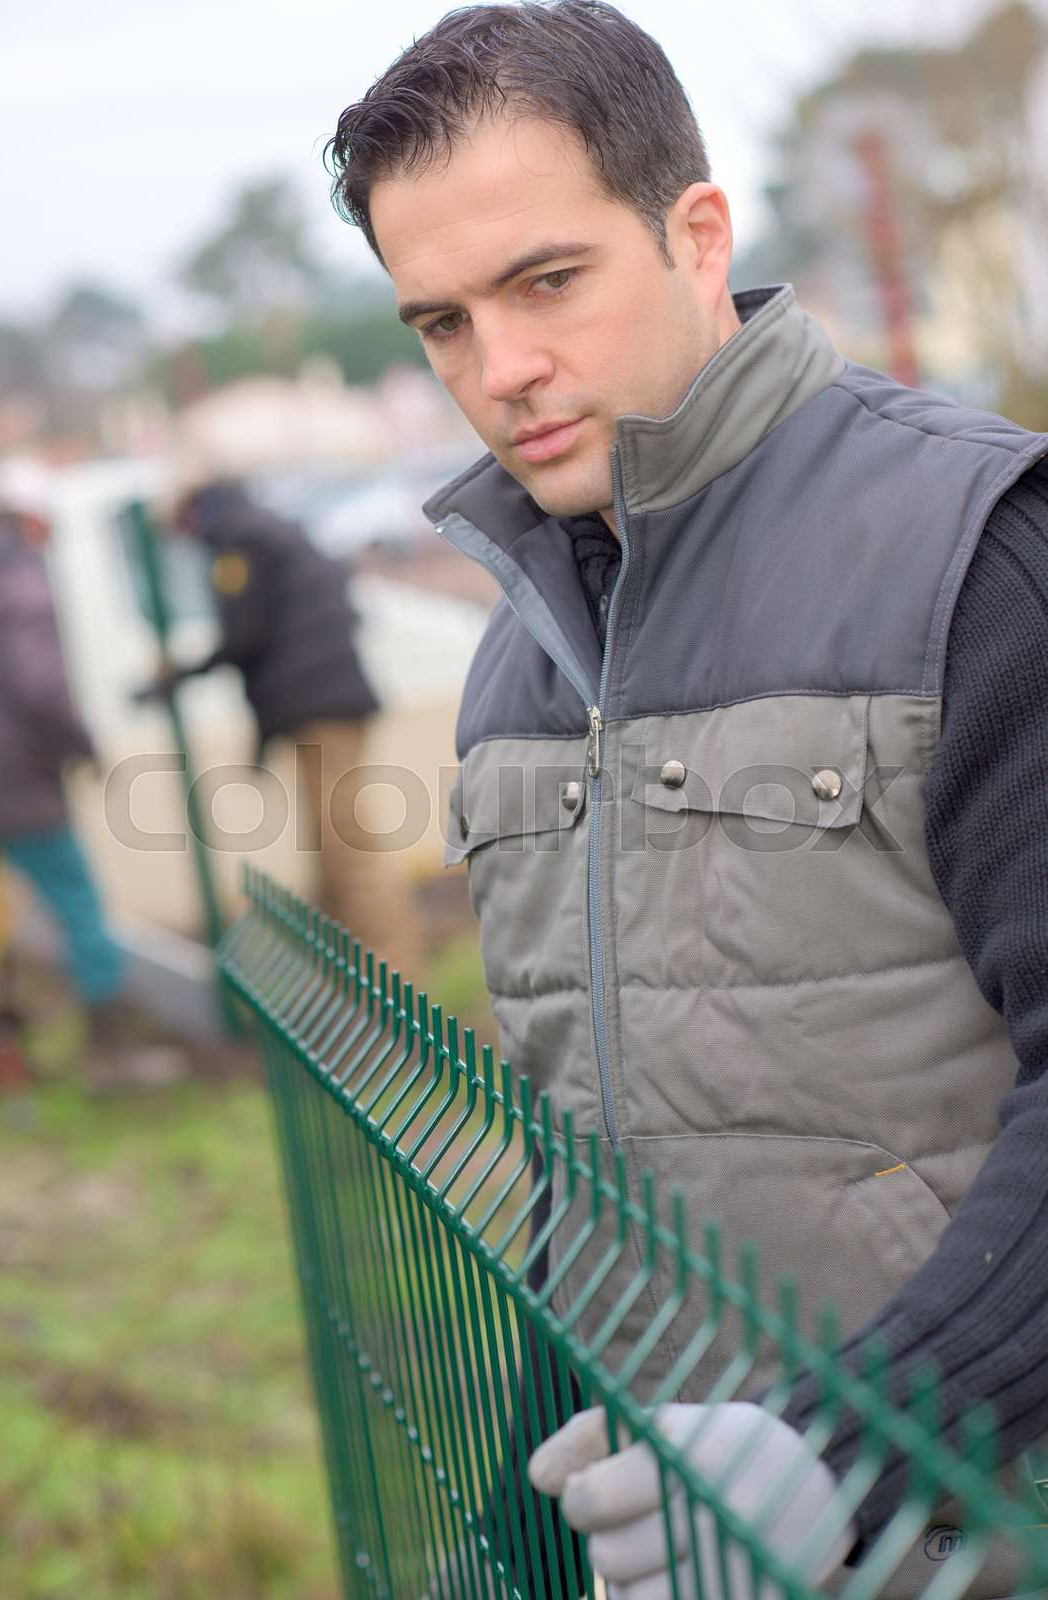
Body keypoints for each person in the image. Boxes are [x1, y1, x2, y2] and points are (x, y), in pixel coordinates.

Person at [327, 3, 1048, 1596]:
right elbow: (593, 1174)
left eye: (546, 281)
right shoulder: (515, 671)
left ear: (697, 234)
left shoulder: (973, 553)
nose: (501, 369)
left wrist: (852, 1441)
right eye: (440, 322)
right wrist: (514, 1538)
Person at [151, 474, 421, 977]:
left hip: (322, 710)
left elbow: (243, 634)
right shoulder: (265, 527)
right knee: (332, 844)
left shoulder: (242, 541)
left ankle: (397, 982)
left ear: (191, 514)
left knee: (349, 851)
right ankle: (351, 974)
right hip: (324, 703)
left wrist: (187, 671)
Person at [0, 460, 185, 1086]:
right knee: (77, 904)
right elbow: (39, 682)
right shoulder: (18, 578)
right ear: (36, 520)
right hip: (11, 778)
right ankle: (116, 1055)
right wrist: (81, 742)